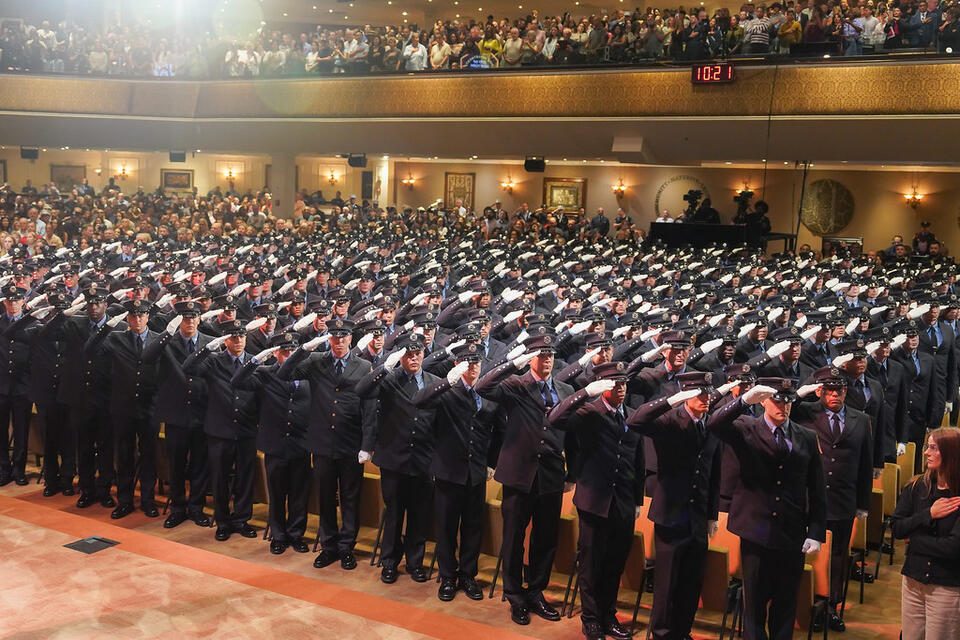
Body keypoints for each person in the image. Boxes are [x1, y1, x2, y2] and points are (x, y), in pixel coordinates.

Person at [706, 377, 827, 640]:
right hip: (755, 533)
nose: (783, 407)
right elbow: (714, 422)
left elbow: (817, 489)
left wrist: (816, 531)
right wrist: (742, 401)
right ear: (764, 402)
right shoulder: (746, 428)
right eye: (777, 400)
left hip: (792, 533)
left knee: (785, 607)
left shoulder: (806, 437)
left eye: (788, 401)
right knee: (755, 608)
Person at [475, 328, 575, 626]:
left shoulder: (565, 390)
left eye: (549, 355)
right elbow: (483, 386)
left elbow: (573, 436)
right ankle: (515, 595)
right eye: (540, 355)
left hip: (551, 476)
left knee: (546, 539)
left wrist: (573, 473)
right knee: (514, 538)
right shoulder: (516, 385)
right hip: (519, 474)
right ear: (532, 357)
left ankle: (536, 592)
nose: (546, 359)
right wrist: (514, 362)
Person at [625, 371, 723, 640]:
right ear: (686, 394)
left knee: (691, 582)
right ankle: (662, 634)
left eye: (707, 393)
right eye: (699, 394)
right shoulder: (670, 420)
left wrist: (712, 515)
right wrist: (672, 400)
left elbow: (714, 474)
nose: (705, 399)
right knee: (667, 585)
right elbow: (635, 420)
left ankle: (682, 631)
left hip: (698, 517)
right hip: (671, 515)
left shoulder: (711, 424)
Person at [277, 318, 375, 570]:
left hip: (351, 445)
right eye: (334, 336)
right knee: (325, 498)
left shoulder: (364, 366)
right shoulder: (315, 361)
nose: (339, 341)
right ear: (328, 338)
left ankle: (346, 548)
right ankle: (329, 546)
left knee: (351, 499)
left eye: (344, 337)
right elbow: (284, 373)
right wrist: (304, 349)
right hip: (322, 444)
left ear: (351, 339)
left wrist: (367, 444)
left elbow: (369, 408)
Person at [791, 367, 873, 632]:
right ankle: (799, 602)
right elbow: (782, 404)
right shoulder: (804, 412)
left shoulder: (860, 419)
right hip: (807, 499)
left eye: (839, 390)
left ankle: (831, 609)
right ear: (820, 391)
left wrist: (863, 502)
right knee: (801, 554)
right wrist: (801, 392)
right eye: (829, 390)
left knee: (837, 558)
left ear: (846, 391)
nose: (835, 394)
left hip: (842, 499)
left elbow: (865, 463)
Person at [412, 343, 496, 602]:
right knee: (447, 528)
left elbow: (498, 433)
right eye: (467, 362)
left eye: (476, 362)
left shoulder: (488, 394)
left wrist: (491, 462)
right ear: (458, 365)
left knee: (473, 528)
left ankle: (468, 575)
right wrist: (447, 382)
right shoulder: (446, 391)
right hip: (449, 471)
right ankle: (448, 576)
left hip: (476, 472)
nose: (473, 367)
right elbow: (419, 400)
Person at [356, 331, 439, 584]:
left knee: (419, 514)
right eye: (409, 354)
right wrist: (385, 367)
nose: (414, 358)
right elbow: (362, 389)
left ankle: (415, 562)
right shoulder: (389, 379)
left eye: (418, 353)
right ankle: (389, 562)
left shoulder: (435, 381)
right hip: (394, 458)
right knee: (393, 514)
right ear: (401, 356)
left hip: (424, 459)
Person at [232, 331, 312, 554]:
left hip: (302, 443)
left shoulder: (308, 373)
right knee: (276, 494)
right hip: (275, 444)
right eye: (283, 351)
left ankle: (296, 534)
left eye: (291, 351)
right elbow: (237, 381)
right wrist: (256, 359)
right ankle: (278, 535)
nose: (288, 356)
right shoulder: (265, 373)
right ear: (276, 353)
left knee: (299, 494)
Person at [181, 319, 259, 542]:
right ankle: (223, 522)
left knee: (245, 478)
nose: (239, 341)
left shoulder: (254, 363)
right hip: (219, 431)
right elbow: (188, 368)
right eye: (234, 337)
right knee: (219, 479)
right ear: (226, 340)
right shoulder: (214, 361)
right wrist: (207, 348)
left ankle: (242, 519)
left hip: (245, 430)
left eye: (242, 336)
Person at [147, 300, 213, 528]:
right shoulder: (167, 343)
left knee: (200, 464)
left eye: (194, 317)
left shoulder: (211, 343)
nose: (191, 321)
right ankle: (177, 508)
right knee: (175, 464)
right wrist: (167, 332)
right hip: (176, 413)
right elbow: (148, 356)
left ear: (200, 318)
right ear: (179, 320)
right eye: (186, 318)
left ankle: (196, 508)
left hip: (202, 413)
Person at [892, 427, 960, 640]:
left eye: (933, 448)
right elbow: (897, 528)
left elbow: (953, 548)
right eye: (927, 447)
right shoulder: (916, 486)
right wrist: (928, 514)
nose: (926, 453)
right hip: (912, 580)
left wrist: (914, 542)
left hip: (946, 586)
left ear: (950, 453)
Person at [0, 284, 37, 486]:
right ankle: (3, 469)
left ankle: (19, 470)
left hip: (22, 387)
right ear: (4, 302)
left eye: (16, 300)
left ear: (23, 301)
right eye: (9, 301)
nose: (13, 304)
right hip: (2, 387)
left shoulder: (30, 324)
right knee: (1, 431)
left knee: (22, 431)